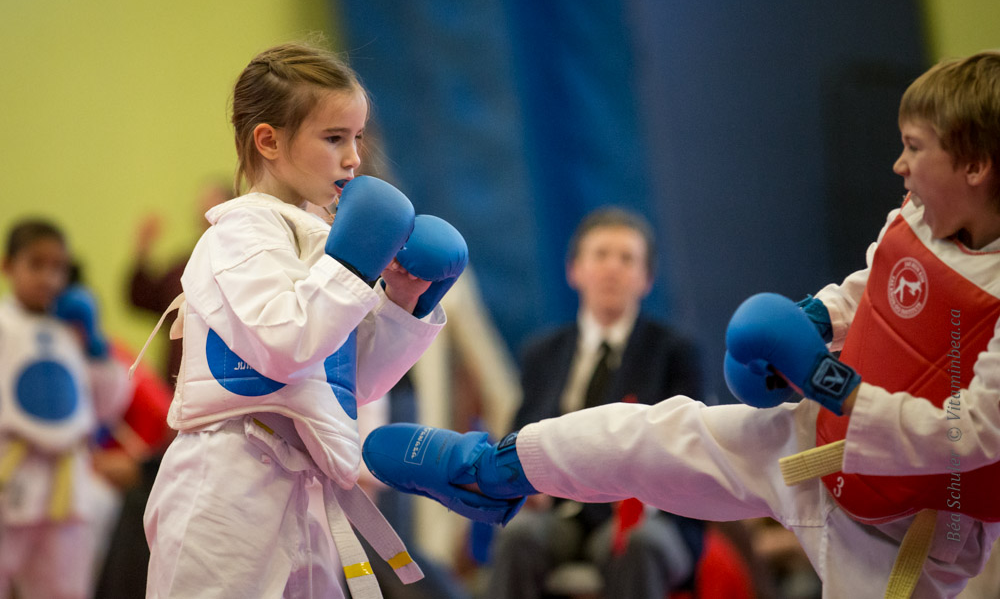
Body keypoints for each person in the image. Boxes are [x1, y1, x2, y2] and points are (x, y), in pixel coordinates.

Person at [363, 51, 1000, 598]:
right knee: (651, 434)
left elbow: (975, 435)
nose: (899, 166)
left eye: (915, 149)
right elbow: (869, 291)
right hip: (815, 446)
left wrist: (829, 379)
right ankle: (491, 470)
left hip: (912, 529)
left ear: (975, 167)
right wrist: (814, 318)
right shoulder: (913, 218)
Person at [142, 41, 469, 599]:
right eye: (334, 138)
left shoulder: (325, 243)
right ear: (269, 140)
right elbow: (286, 346)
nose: (354, 159)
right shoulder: (236, 235)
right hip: (229, 482)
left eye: (357, 139)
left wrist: (402, 303)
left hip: (306, 488)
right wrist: (349, 265)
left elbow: (349, 382)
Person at [487, 207, 705, 599]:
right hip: (562, 511)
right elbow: (515, 437)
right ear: (575, 270)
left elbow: (694, 449)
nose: (612, 269)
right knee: (518, 535)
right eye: (601, 255)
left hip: (649, 511)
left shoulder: (673, 352)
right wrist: (520, 481)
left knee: (640, 544)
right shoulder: (543, 353)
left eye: (627, 259)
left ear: (647, 278)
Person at [0, 219, 128, 599]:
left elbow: (106, 407)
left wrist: (96, 347)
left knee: (64, 590)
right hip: (10, 476)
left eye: (58, 268)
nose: (49, 278)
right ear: (8, 266)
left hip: (66, 487)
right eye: (36, 265)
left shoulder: (71, 332)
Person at [127, 180, 234, 383]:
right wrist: (142, 250)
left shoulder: (242, 265)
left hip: (222, 375)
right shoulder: (184, 266)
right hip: (178, 377)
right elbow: (147, 299)